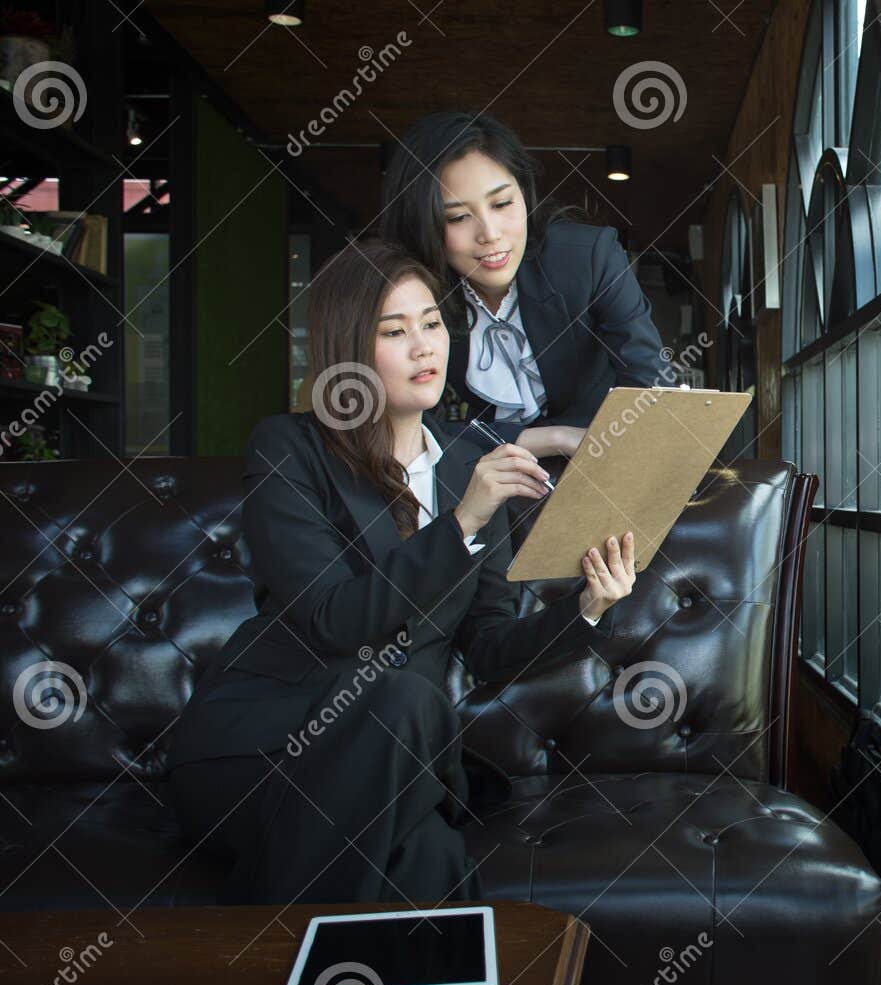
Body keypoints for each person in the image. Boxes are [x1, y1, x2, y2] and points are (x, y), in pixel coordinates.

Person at [165, 239, 636, 905]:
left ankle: (281, 974)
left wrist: (587, 606)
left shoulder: (469, 463)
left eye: (433, 323)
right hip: (265, 743)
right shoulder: (290, 448)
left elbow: (489, 646)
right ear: (350, 350)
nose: (424, 346)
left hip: (398, 756)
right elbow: (335, 619)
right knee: (409, 708)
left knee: (427, 848)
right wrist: (461, 523)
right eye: (394, 330)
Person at [379, 109, 665, 463]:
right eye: (457, 217)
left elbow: (645, 380)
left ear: (524, 194)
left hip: (602, 455)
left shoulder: (586, 257)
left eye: (502, 203)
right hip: (485, 467)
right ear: (423, 224)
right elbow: (415, 428)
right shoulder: (416, 294)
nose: (490, 233)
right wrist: (552, 438)